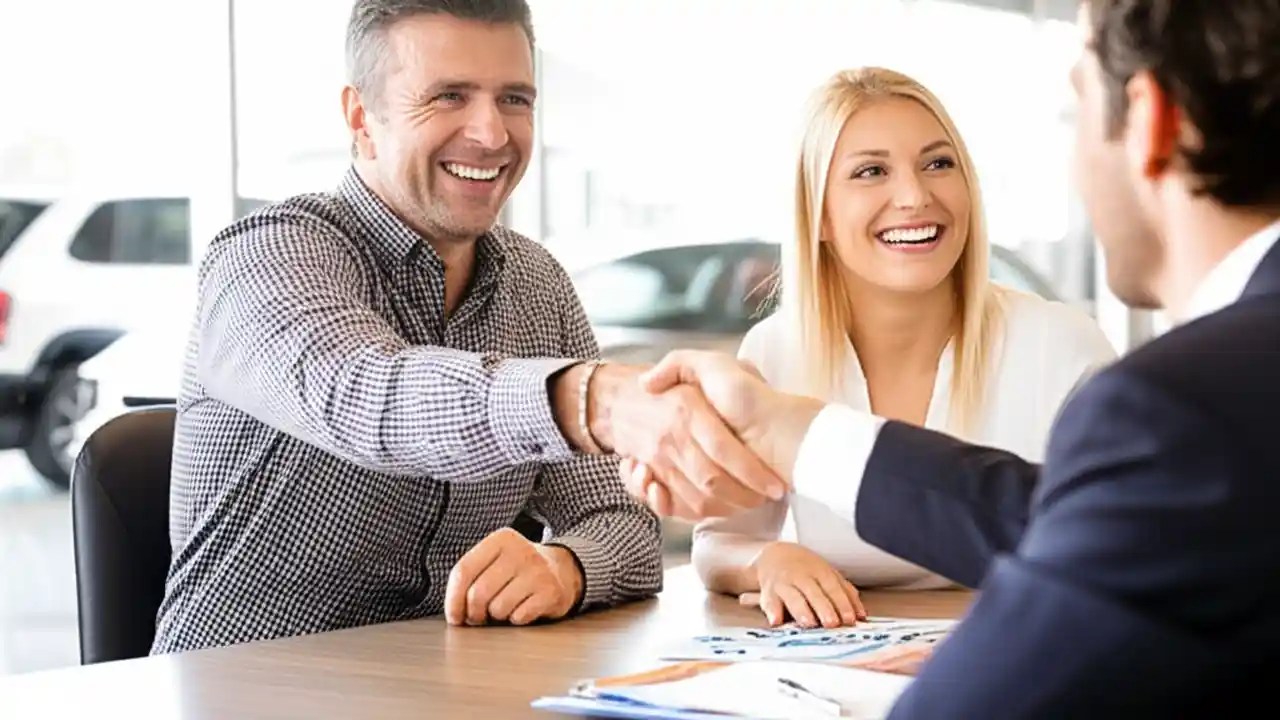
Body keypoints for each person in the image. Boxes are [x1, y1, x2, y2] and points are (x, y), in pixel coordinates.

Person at [627, 0, 1280, 714]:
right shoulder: (1215, 390)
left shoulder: (1167, 402)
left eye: (1075, 110)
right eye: (870, 172)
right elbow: (1050, 521)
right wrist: (786, 432)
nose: (913, 196)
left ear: (1148, 121)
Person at [151, 0, 783, 655]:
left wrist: (563, 567)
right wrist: (591, 400)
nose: (491, 133)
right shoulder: (266, 257)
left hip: (440, 690)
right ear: (362, 117)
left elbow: (621, 523)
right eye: (449, 97)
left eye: (514, 98)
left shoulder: (536, 285)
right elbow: (371, 398)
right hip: (241, 691)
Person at [683, 67, 1114, 629]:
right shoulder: (774, 352)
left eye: (938, 164)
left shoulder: (1062, 346)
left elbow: (1124, 543)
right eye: (871, 172)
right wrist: (769, 560)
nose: (914, 196)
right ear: (819, 216)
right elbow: (719, 544)